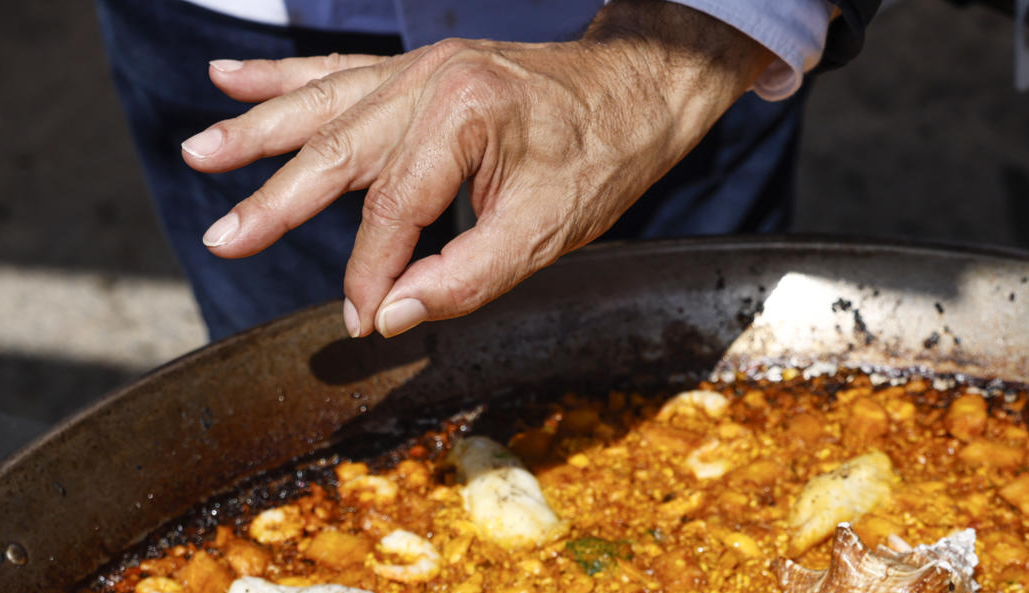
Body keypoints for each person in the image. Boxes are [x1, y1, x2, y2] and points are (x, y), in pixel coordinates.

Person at [97, 1, 879, 340]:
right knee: (290, 399)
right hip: (235, 18)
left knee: (695, 390)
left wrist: (667, 62)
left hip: (681, 22)